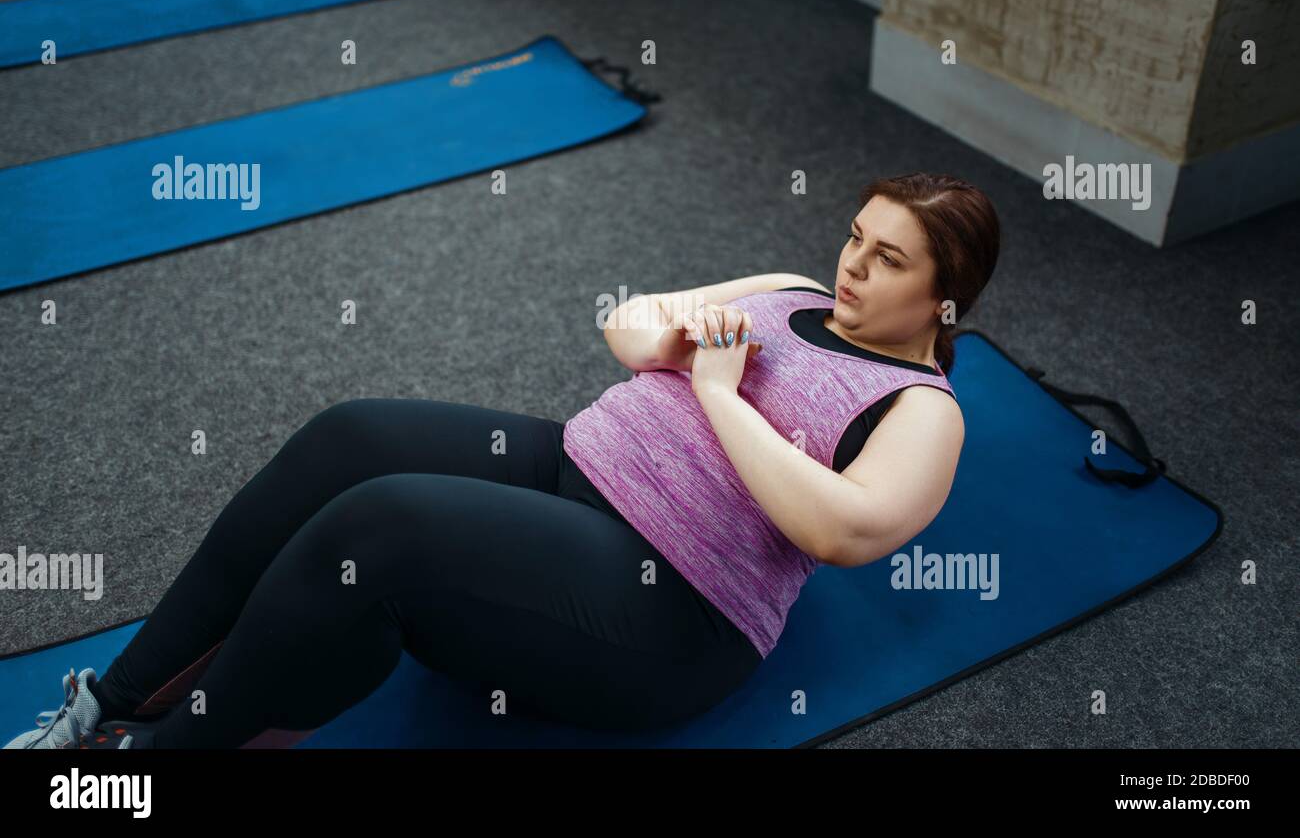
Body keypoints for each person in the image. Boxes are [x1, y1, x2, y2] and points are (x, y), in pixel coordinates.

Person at [4, 172, 999, 749]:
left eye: (888, 260)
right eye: (855, 237)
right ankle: (111, 705)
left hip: (668, 612)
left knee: (383, 527)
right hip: (575, 469)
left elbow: (843, 528)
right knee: (350, 436)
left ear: (946, 295)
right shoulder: (788, 292)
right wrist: (670, 344)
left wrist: (715, 394)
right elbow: (628, 320)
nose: (851, 267)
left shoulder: (918, 411)